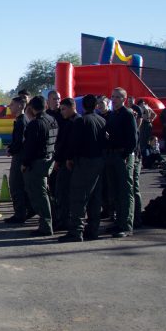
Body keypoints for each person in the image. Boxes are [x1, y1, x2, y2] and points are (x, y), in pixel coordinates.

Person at [60, 95, 107, 243]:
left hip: (84, 162)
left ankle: (76, 231)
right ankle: (93, 229)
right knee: (95, 197)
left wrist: (69, 158)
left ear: (83, 106)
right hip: (99, 161)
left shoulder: (81, 121)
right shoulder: (102, 120)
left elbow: (74, 143)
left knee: (78, 197)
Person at [103, 87, 139, 238]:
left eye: (117, 97)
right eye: (112, 96)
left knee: (125, 191)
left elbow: (133, 139)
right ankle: (118, 222)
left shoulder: (127, 114)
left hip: (123, 155)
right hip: (112, 154)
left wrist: (125, 155)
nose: (114, 99)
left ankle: (126, 225)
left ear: (124, 99)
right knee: (115, 191)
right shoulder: (113, 115)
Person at [20, 96, 57, 237]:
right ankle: (52, 221)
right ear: (46, 105)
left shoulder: (35, 124)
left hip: (37, 163)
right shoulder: (52, 120)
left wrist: (25, 164)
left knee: (38, 195)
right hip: (49, 160)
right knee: (45, 193)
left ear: (31, 108)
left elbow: (30, 147)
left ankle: (46, 225)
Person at [52, 97, 77, 230]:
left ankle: (65, 220)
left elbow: (68, 145)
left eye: (63, 109)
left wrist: (61, 159)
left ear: (72, 107)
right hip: (66, 161)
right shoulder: (68, 122)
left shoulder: (73, 123)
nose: (61, 112)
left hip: (67, 162)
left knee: (63, 192)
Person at [4, 96, 30, 224]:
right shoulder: (22, 120)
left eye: (12, 104)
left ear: (20, 106)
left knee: (16, 185)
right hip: (20, 155)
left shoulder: (21, 121)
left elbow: (20, 142)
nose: (10, 106)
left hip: (19, 157)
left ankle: (20, 214)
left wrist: (11, 150)